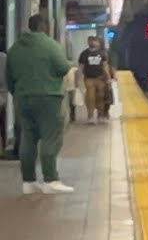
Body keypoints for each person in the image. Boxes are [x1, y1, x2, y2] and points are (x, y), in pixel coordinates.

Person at [5, 14, 73, 194]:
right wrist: (68, 64)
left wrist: (19, 93)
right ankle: (50, 179)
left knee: (28, 139)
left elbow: (8, 78)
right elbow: (62, 67)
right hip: (48, 97)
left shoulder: (15, 48)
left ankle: (28, 182)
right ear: (45, 26)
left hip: (22, 98)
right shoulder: (50, 45)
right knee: (50, 137)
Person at [78, 35, 113, 124]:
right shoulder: (84, 54)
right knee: (90, 98)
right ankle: (90, 116)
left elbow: (105, 66)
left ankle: (100, 115)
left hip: (100, 78)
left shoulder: (102, 53)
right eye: (91, 41)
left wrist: (108, 78)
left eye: (95, 41)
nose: (93, 42)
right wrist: (78, 80)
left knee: (100, 97)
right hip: (89, 78)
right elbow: (81, 68)